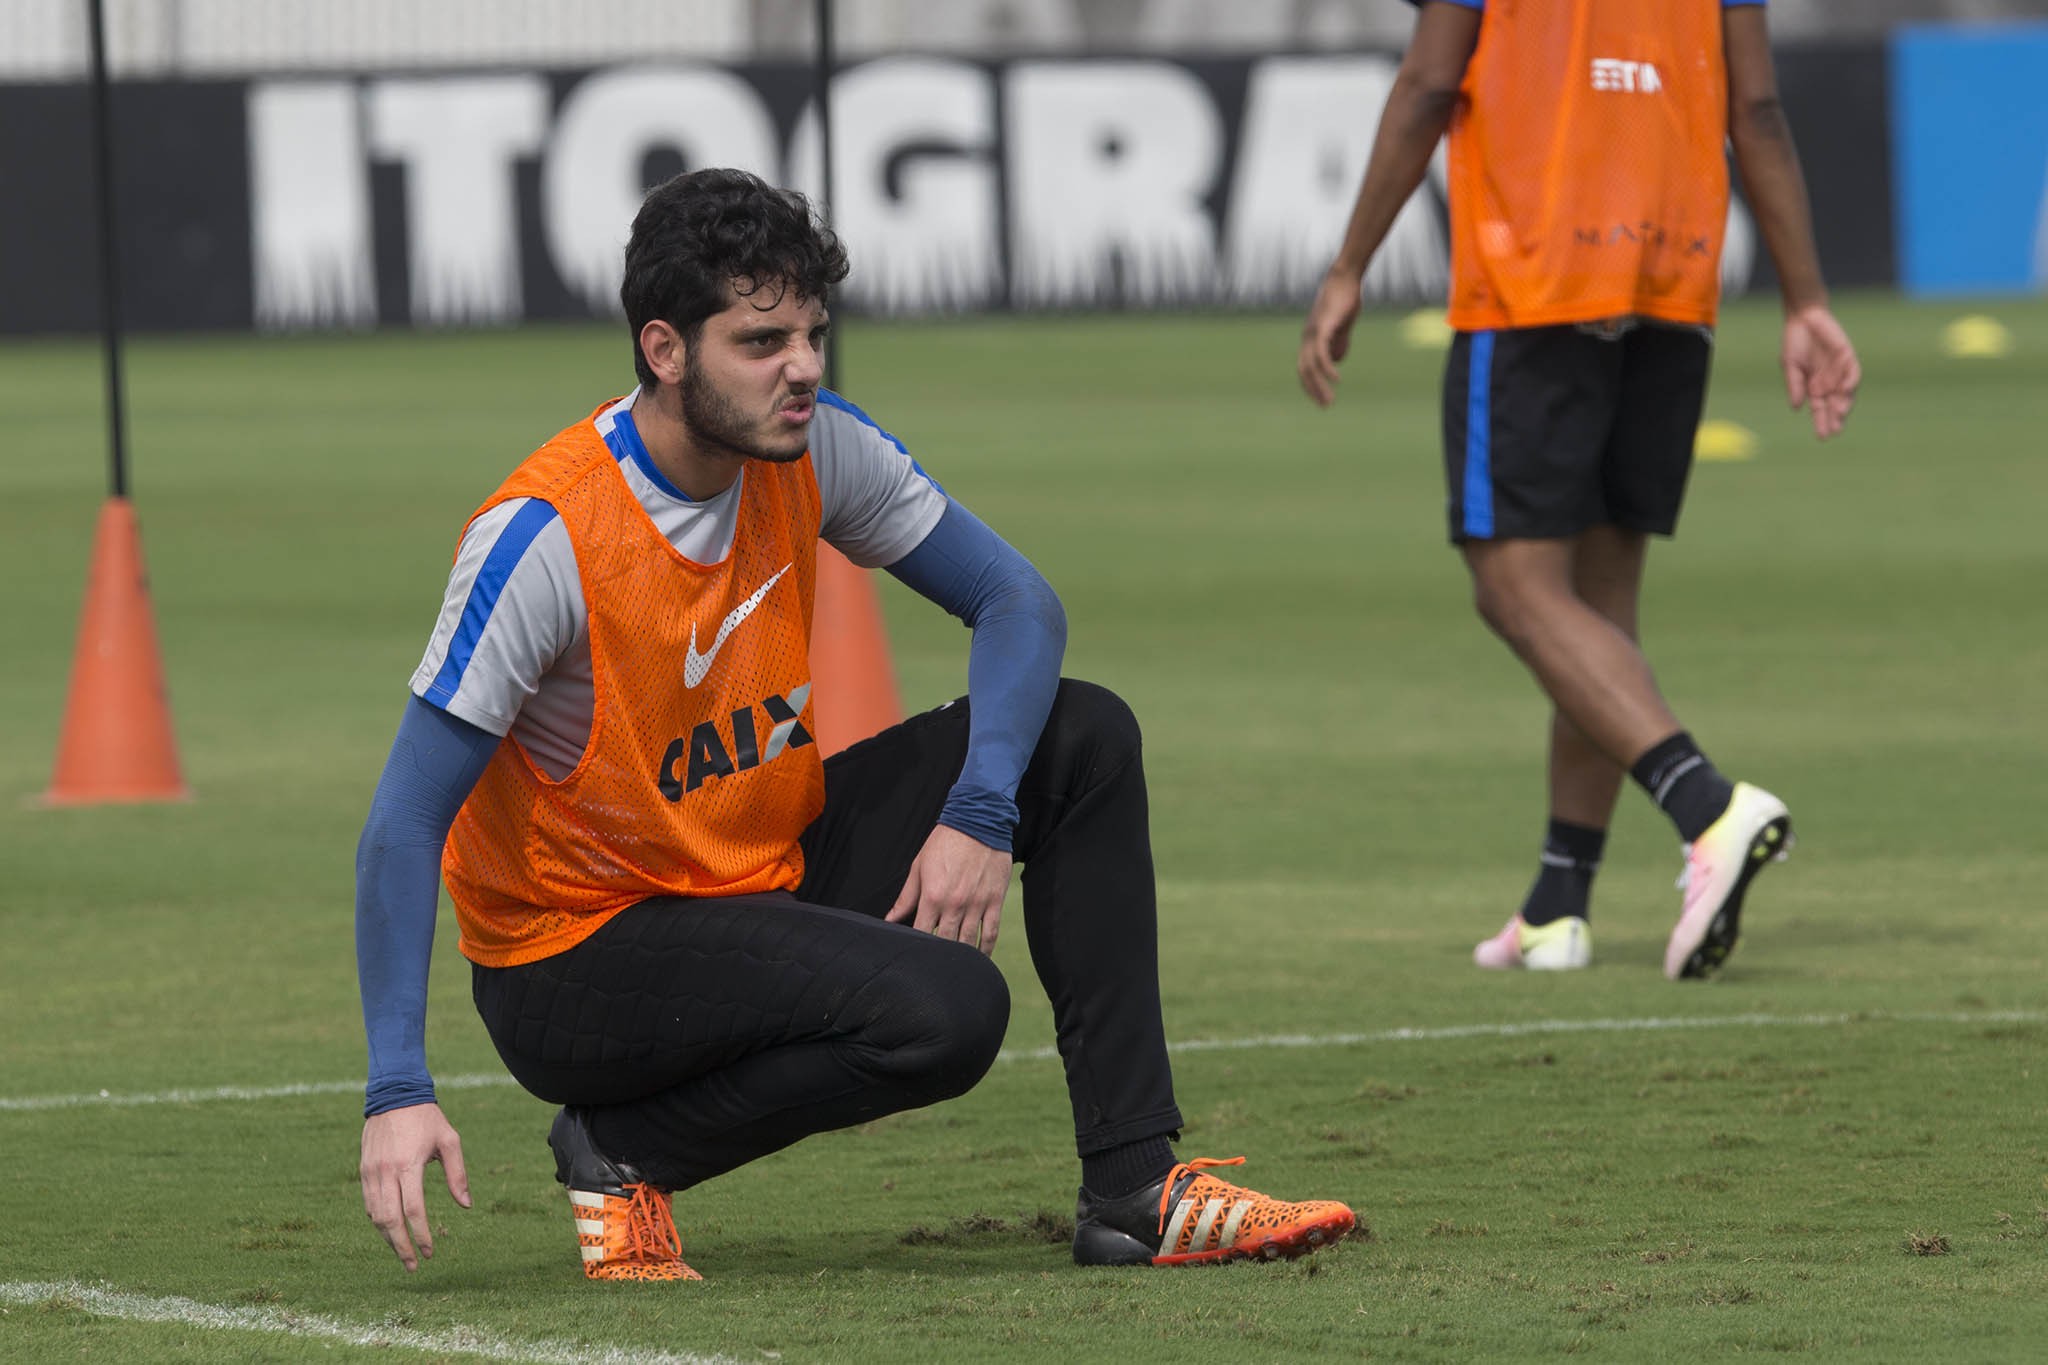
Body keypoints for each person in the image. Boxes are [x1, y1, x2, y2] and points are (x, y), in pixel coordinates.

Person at [355, 167, 1354, 1281]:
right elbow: (403, 823)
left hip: (753, 871)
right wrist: (398, 1089)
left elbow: (1019, 605)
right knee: (949, 1009)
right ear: (663, 350)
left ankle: (1133, 1190)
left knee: (1080, 739)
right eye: (762, 340)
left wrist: (977, 812)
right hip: (577, 954)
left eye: (814, 333)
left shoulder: (814, 444)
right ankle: (619, 1149)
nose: (803, 368)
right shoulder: (542, 537)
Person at [1297, 0, 1860, 977]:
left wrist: (1349, 264)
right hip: (1669, 282)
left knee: (1512, 587)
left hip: (1534, 282)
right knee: (1596, 611)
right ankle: (1559, 901)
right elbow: (1756, 109)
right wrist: (1804, 297)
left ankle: (1705, 806)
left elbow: (1430, 81)